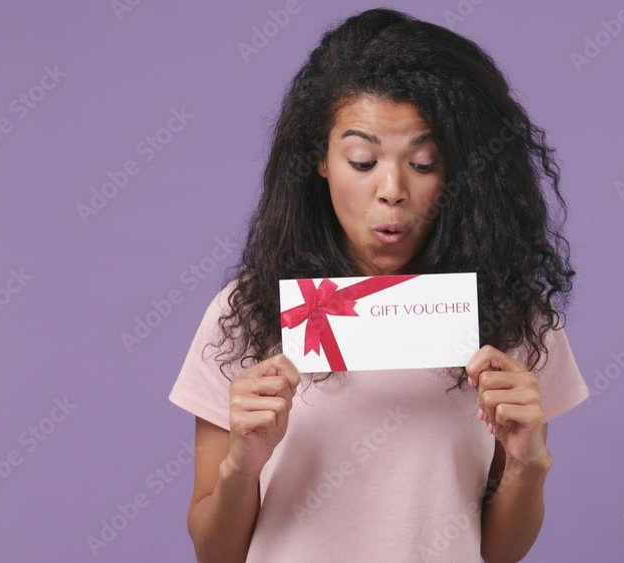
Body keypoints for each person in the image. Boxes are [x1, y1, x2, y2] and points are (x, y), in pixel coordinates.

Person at [168, 8, 589, 562]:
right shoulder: (247, 312)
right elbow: (214, 552)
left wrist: (527, 465)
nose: (392, 189)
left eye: (424, 163)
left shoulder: (512, 316)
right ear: (320, 159)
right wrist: (242, 467)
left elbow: (498, 554)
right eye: (363, 161)